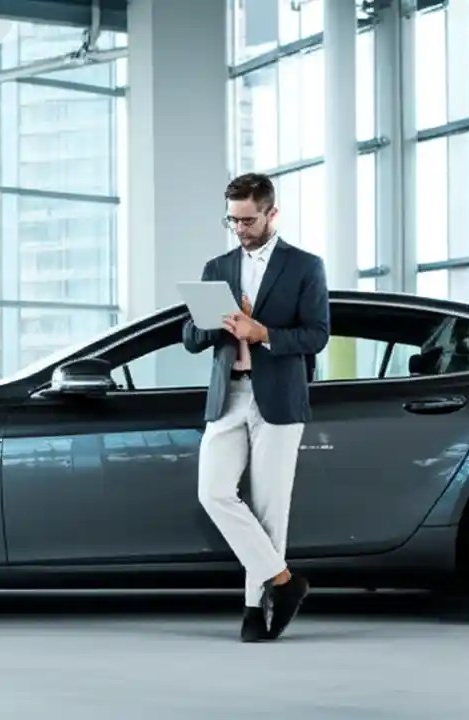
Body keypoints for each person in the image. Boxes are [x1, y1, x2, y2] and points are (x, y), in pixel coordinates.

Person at [181, 172, 330, 642]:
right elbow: (189, 337)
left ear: (271, 213)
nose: (241, 229)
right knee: (213, 492)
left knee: (270, 508)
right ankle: (285, 582)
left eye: (248, 219)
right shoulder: (217, 266)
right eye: (233, 220)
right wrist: (218, 324)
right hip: (228, 395)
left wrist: (261, 332)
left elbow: (317, 335)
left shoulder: (305, 266)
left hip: (279, 397)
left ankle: (255, 610)